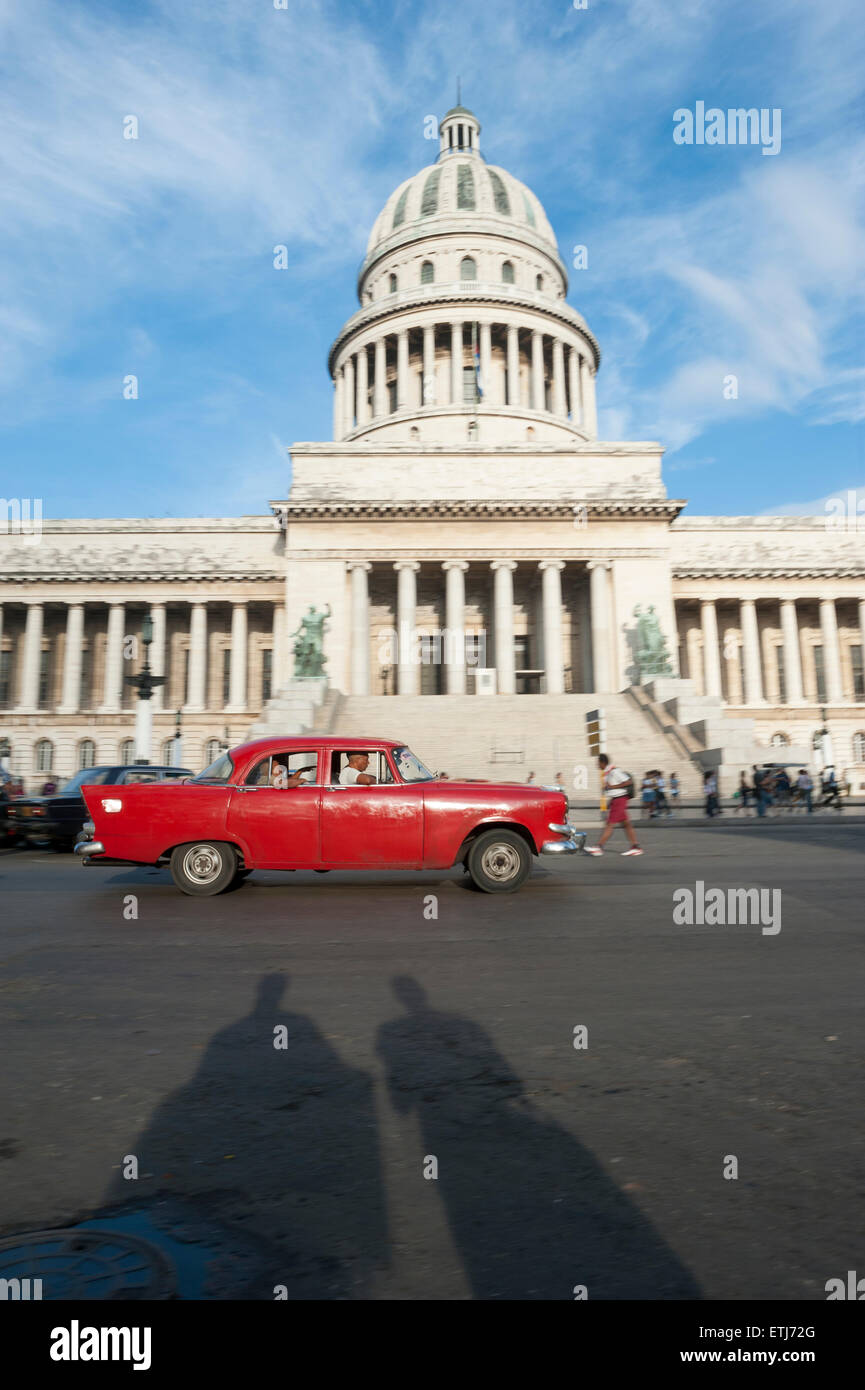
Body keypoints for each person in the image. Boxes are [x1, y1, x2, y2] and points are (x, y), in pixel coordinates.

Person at [584, 754, 642, 856]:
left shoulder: (614, 771)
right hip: (617, 800)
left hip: (620, 800)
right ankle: (636, 847)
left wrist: (613, 786)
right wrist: (611, 801)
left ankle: (599, 847)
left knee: (609, 824)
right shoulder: (607, 773)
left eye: (598, 762)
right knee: (626, 824)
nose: (597, 765)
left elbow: (628, 782)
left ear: (603, 763)